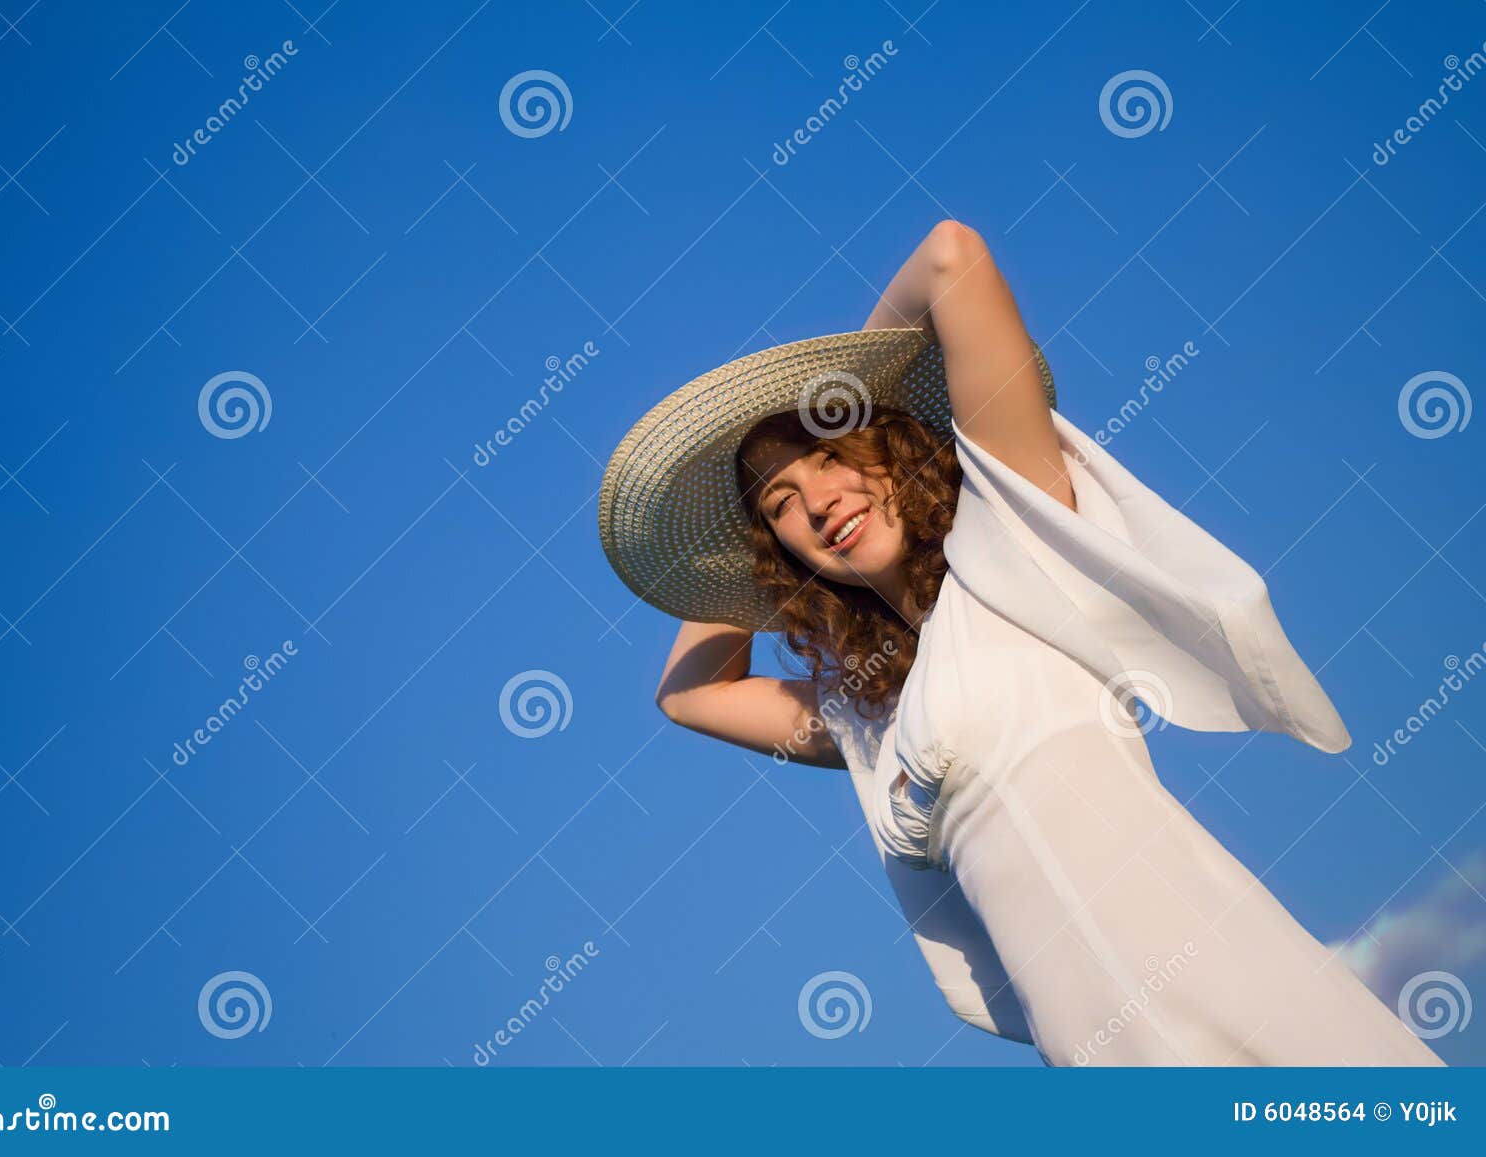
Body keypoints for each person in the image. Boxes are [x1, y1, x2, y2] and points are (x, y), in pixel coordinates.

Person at [597, 220, 1443, 1066]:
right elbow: (689, 693)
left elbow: (950, 255)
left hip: (1217, 973)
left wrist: (844, 384)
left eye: (832, 455)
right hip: (1092, 1048)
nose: (818, 501)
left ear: (887, 447)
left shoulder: (1011, 550)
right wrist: (738, 553)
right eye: (783, 503)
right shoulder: (870, 714)